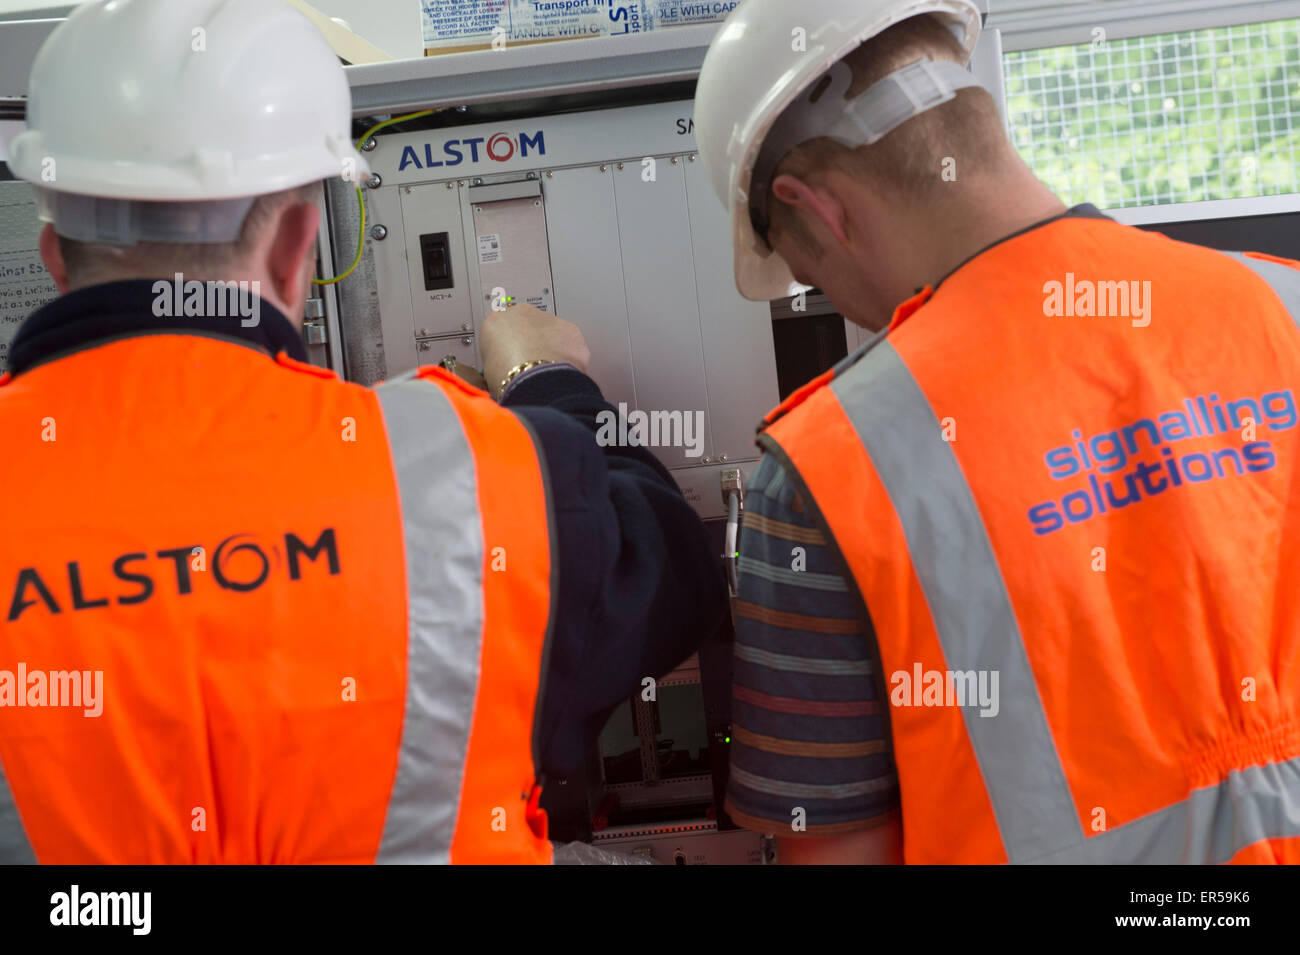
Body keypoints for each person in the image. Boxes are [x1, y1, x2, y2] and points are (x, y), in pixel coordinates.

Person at [0, 0, 725, 864]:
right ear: (297, 245)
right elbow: (675, 569)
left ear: (52, 257)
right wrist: (548, 381)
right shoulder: (467, 472)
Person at [695, 0, 1300, 864]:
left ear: (816, 210)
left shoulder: (831, 465)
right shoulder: (1285, 308)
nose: (838, 304)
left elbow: (837, 856)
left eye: (808, 271)